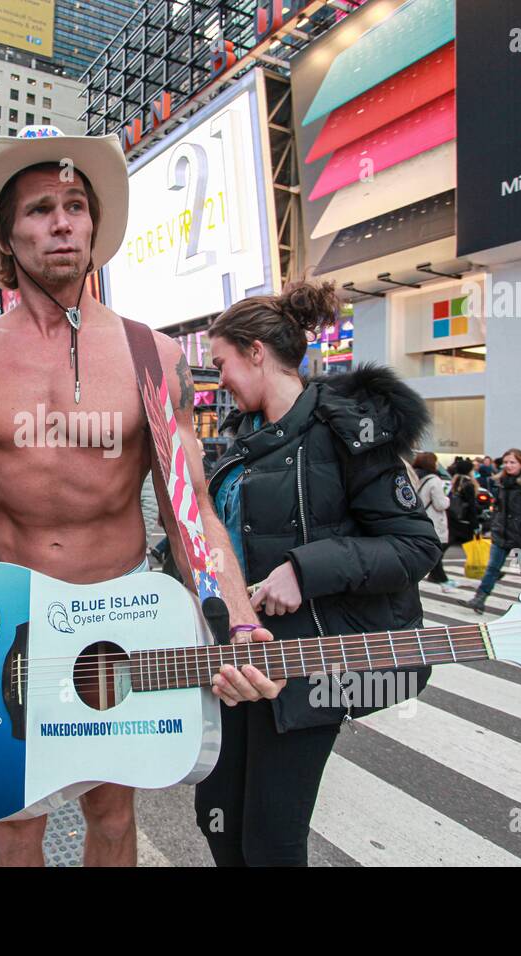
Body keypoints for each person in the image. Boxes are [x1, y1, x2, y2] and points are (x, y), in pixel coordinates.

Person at [0, 125, 275, 867]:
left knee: (113, 817)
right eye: (38, 209)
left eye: (76, 205)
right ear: (6, 237)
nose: (62, 221)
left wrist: (237, 616)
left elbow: (191, 511)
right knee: (14, 821)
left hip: (115, 618)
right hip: (12, 621)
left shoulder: (152, 355)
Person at [199, 286, 439, 867]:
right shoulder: (240, 445)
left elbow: (416, 545)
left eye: (222, 362)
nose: (219, 379)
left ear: (256, 352)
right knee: (218, 818)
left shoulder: (348, 433)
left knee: (271, 839)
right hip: (235, 659)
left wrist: (304, 571)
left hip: (311, 667)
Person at [465, 449, 521, 614]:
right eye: (506, 462)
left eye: (512, 462)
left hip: (520, 537)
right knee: (492, 568)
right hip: (501, 534)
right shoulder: (502, 483)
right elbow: (498, 509)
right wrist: (494, 525)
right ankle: (480, 598)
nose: (508, 465)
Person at [413, 451, 457, 592]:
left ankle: (437, 577)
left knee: (434, 551)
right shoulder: (435, 480)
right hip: (434, 518)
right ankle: (442, 579)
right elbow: (440, 504)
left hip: (421, 517)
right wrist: (448, 499)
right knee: (436, 551)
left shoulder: (415, 477)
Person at [446, 458, 480, 544]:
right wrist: (476, 526)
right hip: (465, 520)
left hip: (452, 517)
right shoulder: (468, 484)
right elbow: (471, 506)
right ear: (469, 471)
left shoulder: (454, 482)